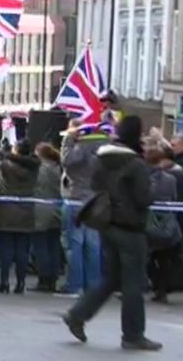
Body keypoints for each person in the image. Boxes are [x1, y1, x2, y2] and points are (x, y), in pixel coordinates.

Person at [63, 116, 162, 351]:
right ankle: (133, 334)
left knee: (112, 278)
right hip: (130, 227)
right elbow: (143, 198)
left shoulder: (102, 158)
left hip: (107, 224)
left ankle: (77, 314)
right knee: (133, 283)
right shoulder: (136, 164)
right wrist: (153, 185)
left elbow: (96, 187)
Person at [58, 120, 109, 296]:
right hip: (96, 200)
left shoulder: (81, 148)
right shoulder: (105, 147)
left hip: (77, 199)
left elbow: (67, 161)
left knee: (75, 245)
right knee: (94, 246)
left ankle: (75, 284)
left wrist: (68, 140)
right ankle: (93, 286)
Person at [0, 139, 40, 295]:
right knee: (22, 250)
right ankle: (20, 282)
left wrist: (1, 149)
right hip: (26, 211)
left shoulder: (6, 166)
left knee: (5, 249)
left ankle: (4, 281)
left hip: (6, 210)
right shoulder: (33, 168)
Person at [144, 143, 182, 304]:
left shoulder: (145, 179)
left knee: (149, 256)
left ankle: (154, 286)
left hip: (149, 221)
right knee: (166, 256)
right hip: (167, 221)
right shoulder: (170, 179)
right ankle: (163, 289)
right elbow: (173, 198)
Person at [31, 143, 63, 293]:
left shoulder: (40, 170)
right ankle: (53, 278)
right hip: (57, 208)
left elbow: (35, 186)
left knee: (40, 244)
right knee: (53, 245)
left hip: (41, 209)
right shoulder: (58, 168)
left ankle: (43, 278)